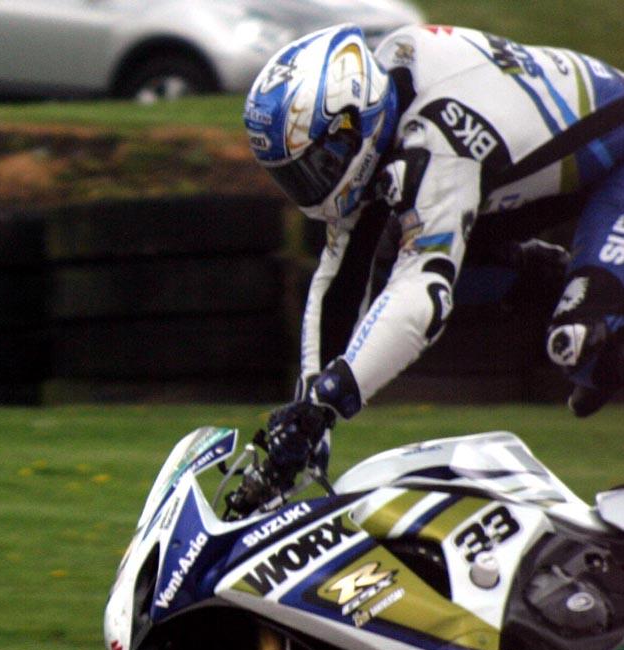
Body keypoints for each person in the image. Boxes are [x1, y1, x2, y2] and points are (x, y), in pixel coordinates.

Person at [242, 23, 624, 483]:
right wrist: (307, 420)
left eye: (315, 167)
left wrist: (331, 398)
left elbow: (422, 297)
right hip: (567, 172)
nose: (309, 188)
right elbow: (341, 284)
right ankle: (550, 278)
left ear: (351, 126)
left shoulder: (439, 134)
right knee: (389, 257)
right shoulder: (387, 106)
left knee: (579, 339)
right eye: (293, 177)